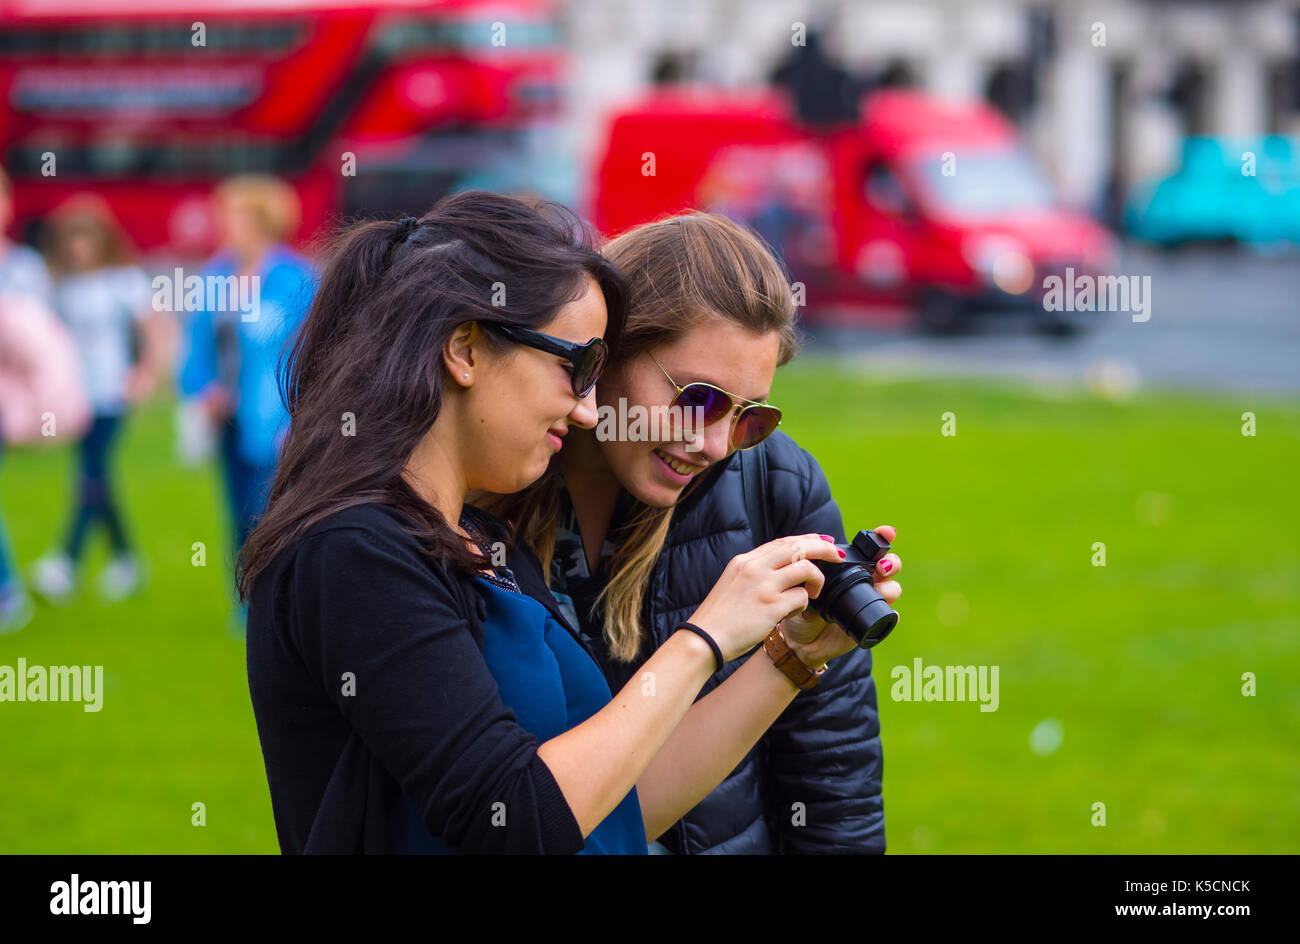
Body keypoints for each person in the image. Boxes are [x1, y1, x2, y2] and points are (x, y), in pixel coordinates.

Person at [240, 191, 856, 854]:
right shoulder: (353, 554)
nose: (590, 411)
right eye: (578, 366)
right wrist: (703, 638)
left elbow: (610, 806)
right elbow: (510, 819)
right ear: (466, 350)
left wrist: (788, 658)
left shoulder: (483, 542)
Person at [486, 212, 901, 853]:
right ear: (609, 348)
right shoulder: (493, 483)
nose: (712, 445)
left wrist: (798, 653)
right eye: (698, 398)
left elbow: (831, 768)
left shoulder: (776, 483)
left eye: (748, 418)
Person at [29, 195, 169, 604]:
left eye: (85, 238)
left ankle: (66, 561)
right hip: (74, 394)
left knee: (91, 472)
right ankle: (126, 560)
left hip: (110, 394)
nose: (78, 247)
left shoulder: (123, 281)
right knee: (96, 475)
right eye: (72, 238)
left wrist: (144, 375)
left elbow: (155, 331)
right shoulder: (62, 286)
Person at [179, 175, 315, 560]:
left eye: (233, 216)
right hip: (226, 415)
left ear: (260, 221)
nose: (224, 225)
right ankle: (245, 601)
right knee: (238, 511)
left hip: (279, 416)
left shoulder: (296, 278)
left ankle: (276, 600)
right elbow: (197, 342)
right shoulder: (216, 274)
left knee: (270, 511)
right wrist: (202, 386)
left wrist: (300, 414)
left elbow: (310, 352)